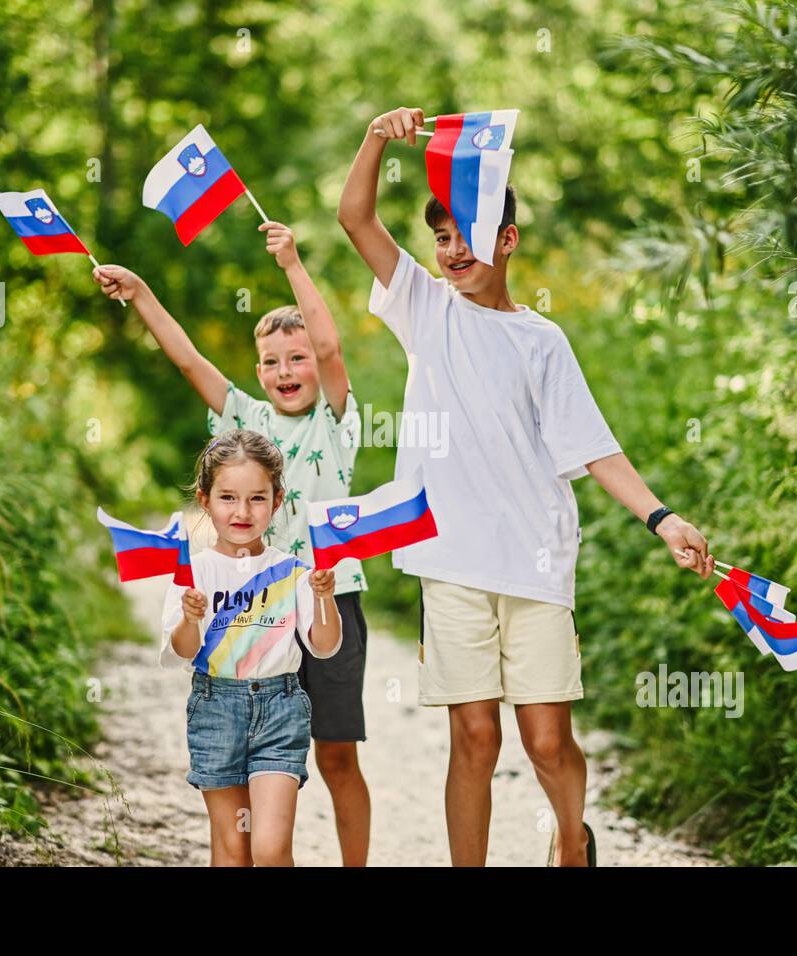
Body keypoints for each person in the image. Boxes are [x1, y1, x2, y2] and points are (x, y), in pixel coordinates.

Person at [337, 106, 716, 867]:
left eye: (466, 236)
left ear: (507, 240)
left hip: (538, 562)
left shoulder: (543, 339)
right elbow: (354, 217)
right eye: (440, 238)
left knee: (547, 740)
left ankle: (571, 843)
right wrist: (379, 136)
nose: (450, 252)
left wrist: (663, 519)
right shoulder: (424, 305)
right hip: (449, 560)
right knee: (474, 735)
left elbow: (594, 447)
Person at [93, 222, 374, 866]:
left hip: (330, 602)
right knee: (261, 755)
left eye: (296, 358)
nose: (287, 370)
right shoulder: (246, 418)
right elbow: (188, 358)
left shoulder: (337, 419)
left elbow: (331, 348)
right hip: (254, 609)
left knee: (334, 753)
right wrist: (140, 295)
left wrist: (293, 264)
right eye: (273, 362)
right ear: (258, 372)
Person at [159, 429, 341, 866]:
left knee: (270, 848)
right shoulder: (194, 574)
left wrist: (324, 597)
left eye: (257, 499)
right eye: (228, 498)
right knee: (233, 849)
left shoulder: (292, 571)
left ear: (277, 502)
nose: (242, 511)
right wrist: (191, 617)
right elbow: (180, 653)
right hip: (215, 709)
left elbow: (325, 645)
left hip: (280, 710)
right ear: (205, 500)